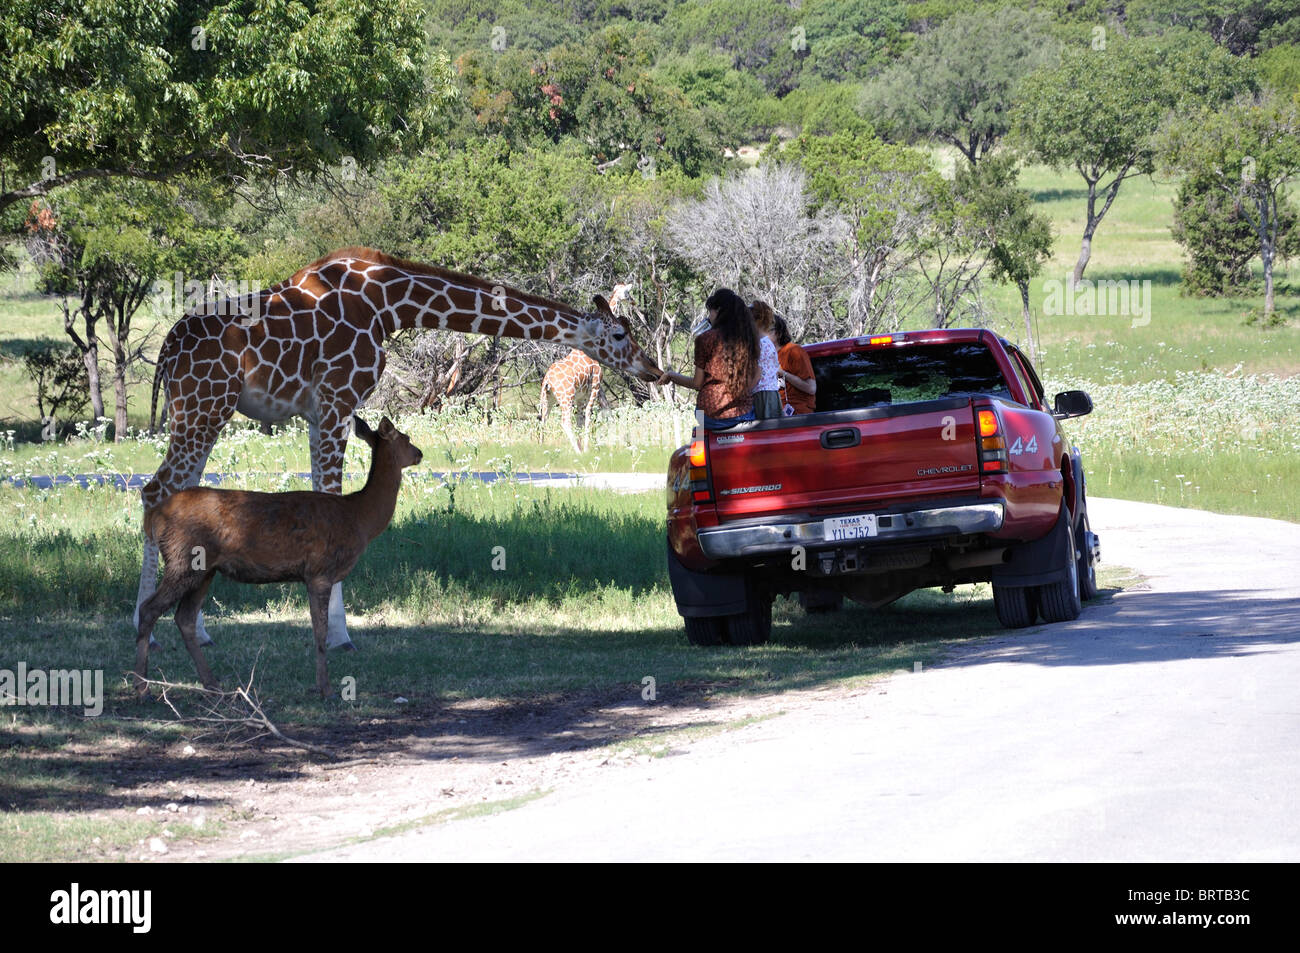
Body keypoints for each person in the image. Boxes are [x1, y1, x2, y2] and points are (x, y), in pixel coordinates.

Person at [656, 288, 759, 429]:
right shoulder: (748, 338)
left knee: (699, 424)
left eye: (710, 312)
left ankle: (700, 440)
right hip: (743, 414)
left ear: (718, 311)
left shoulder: (706, 339)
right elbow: (758, 375)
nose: (709, 316)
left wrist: (671, 376)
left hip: (710, 417)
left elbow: (697, 383)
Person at [773, 313, 817, 415]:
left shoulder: (794, 351)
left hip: (798, 417)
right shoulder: (761, 356)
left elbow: (811, 388)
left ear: (778, 333)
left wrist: (782, 373)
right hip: (774, 416)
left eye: (765, 330)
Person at [749, 301, 783, 420]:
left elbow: (757, 374)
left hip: (762, 395)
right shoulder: (767, 343)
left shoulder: (760, 344)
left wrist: (745, 392)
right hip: (770, 393)